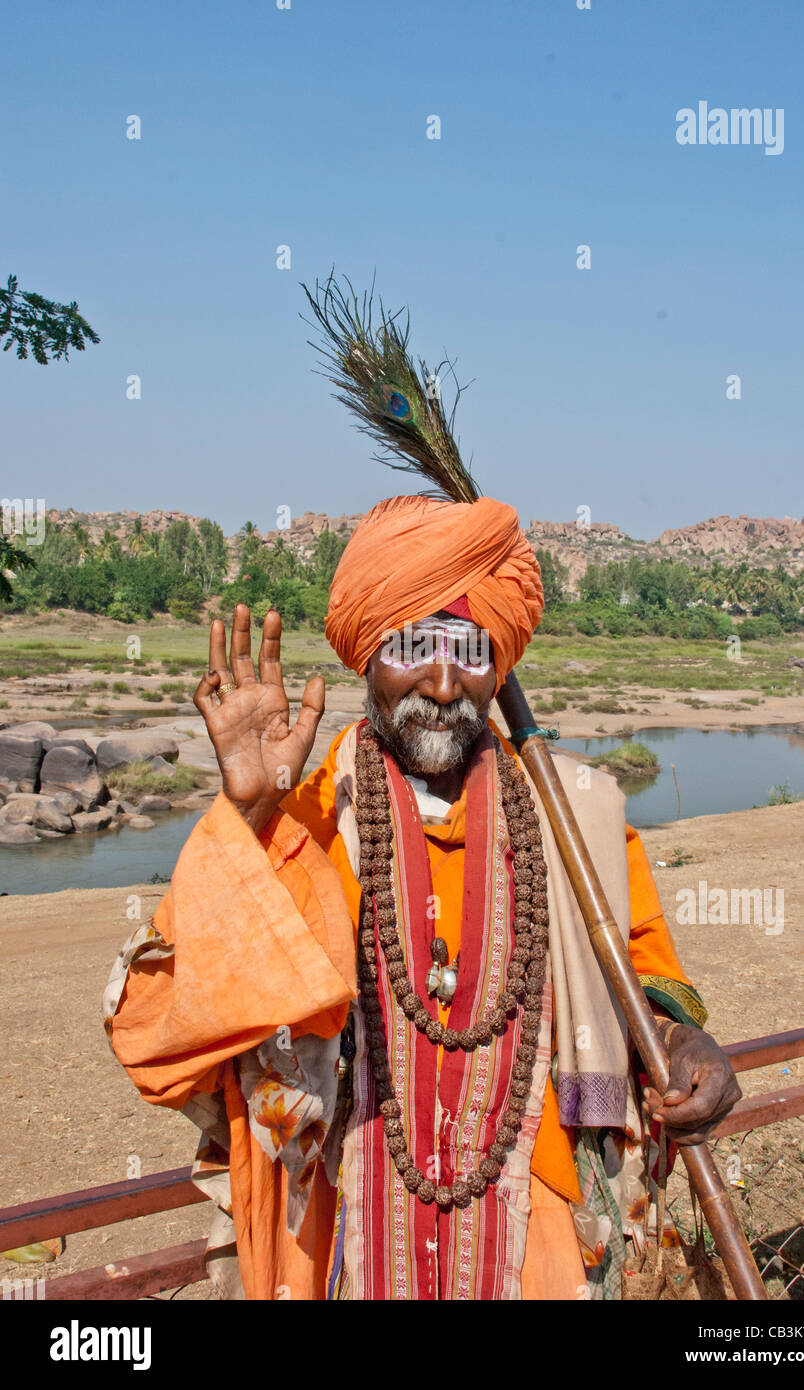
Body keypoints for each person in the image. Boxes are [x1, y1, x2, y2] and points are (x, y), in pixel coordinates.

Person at [105, 493, 740, 1301]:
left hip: (535, 1240)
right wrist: (248, 813)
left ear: (498, 666)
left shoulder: (575, 820)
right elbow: (157, 1038)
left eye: (469, 651)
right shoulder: (301, 824)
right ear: (366, 653)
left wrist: (683, 1045)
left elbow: (642, 983)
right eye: (412, 646)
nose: (442, 684)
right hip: (346, 1231)